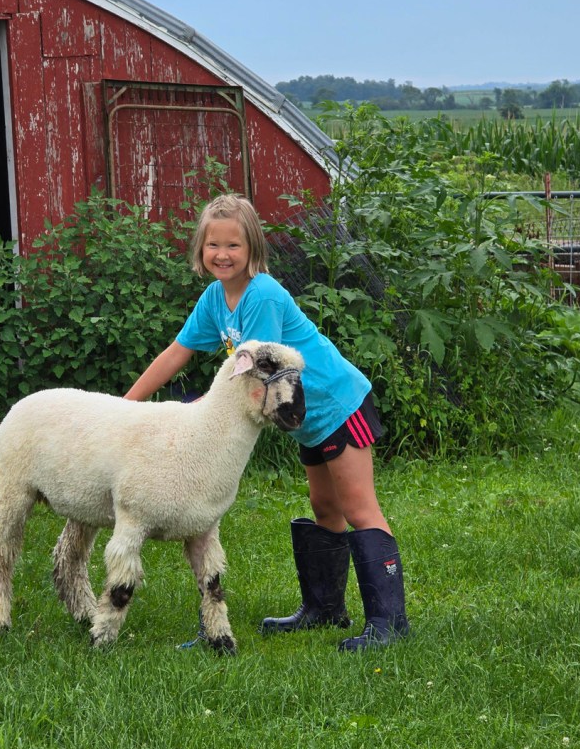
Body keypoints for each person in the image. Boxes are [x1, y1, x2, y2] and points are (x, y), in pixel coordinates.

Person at [125, 194, 409, 651]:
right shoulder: (215, 298)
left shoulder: (262, 295)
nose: (222, 254)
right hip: (306, 420)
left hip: (337, 405)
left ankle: (390, 624)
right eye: (213, 245)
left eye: (233, 245)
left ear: (253, 248)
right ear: (200, 248)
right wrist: (127, 406)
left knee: (358, 510)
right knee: (325, 509)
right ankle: (324, 610)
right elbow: (177, 352)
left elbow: (262, 370)